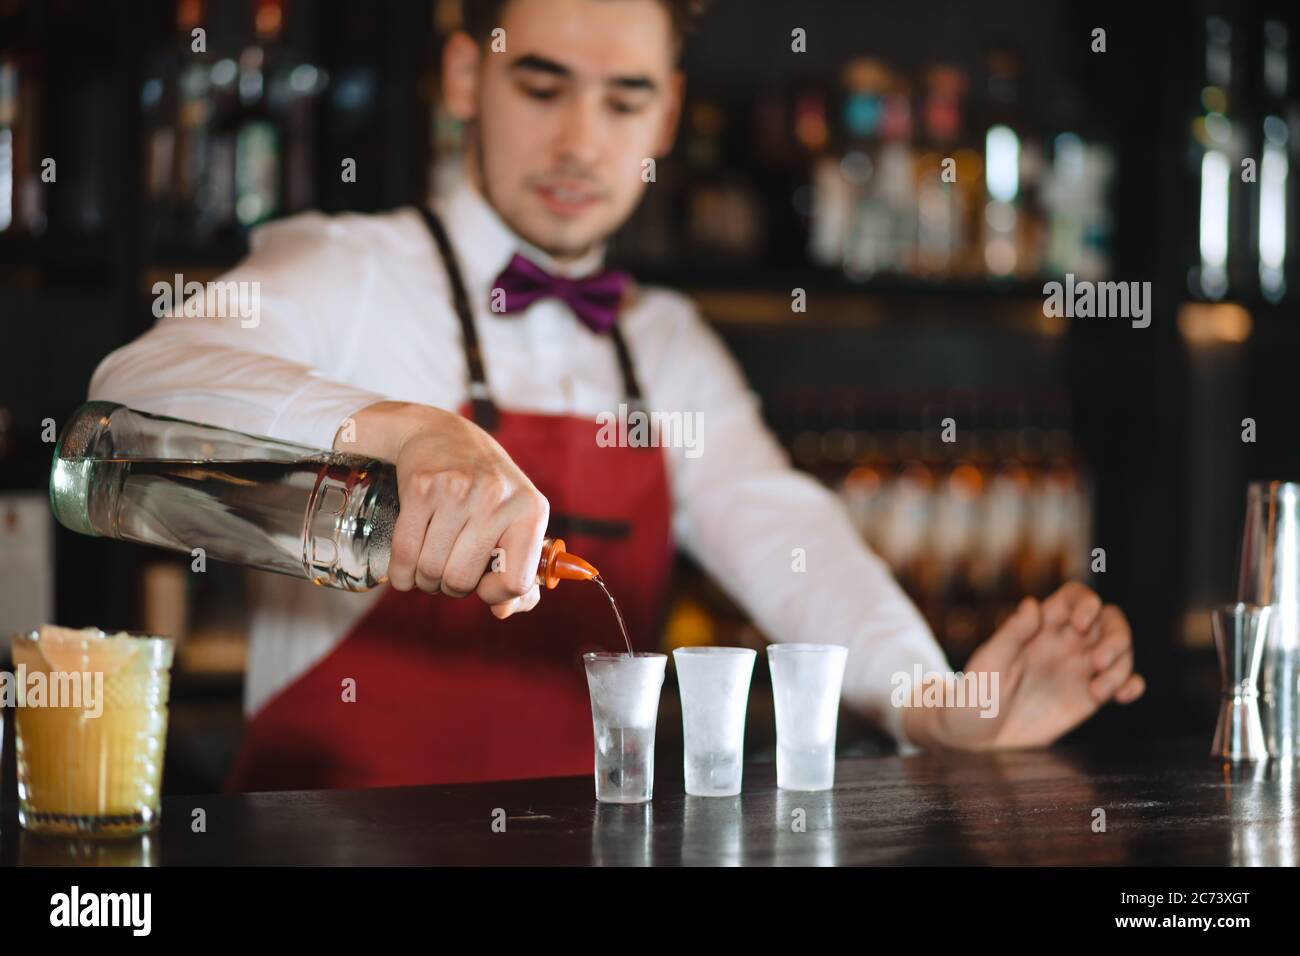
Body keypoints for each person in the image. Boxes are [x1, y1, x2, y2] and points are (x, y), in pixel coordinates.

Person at [89, 0, 1144, 791]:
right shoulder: (347, 268)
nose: (581, 143)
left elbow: (792, 539)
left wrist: (942, 702)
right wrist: (401, 430)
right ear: (464, 78)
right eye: (541, 87)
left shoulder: (664, 343)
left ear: (670, 112)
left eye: (624, 98)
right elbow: (130, 388)